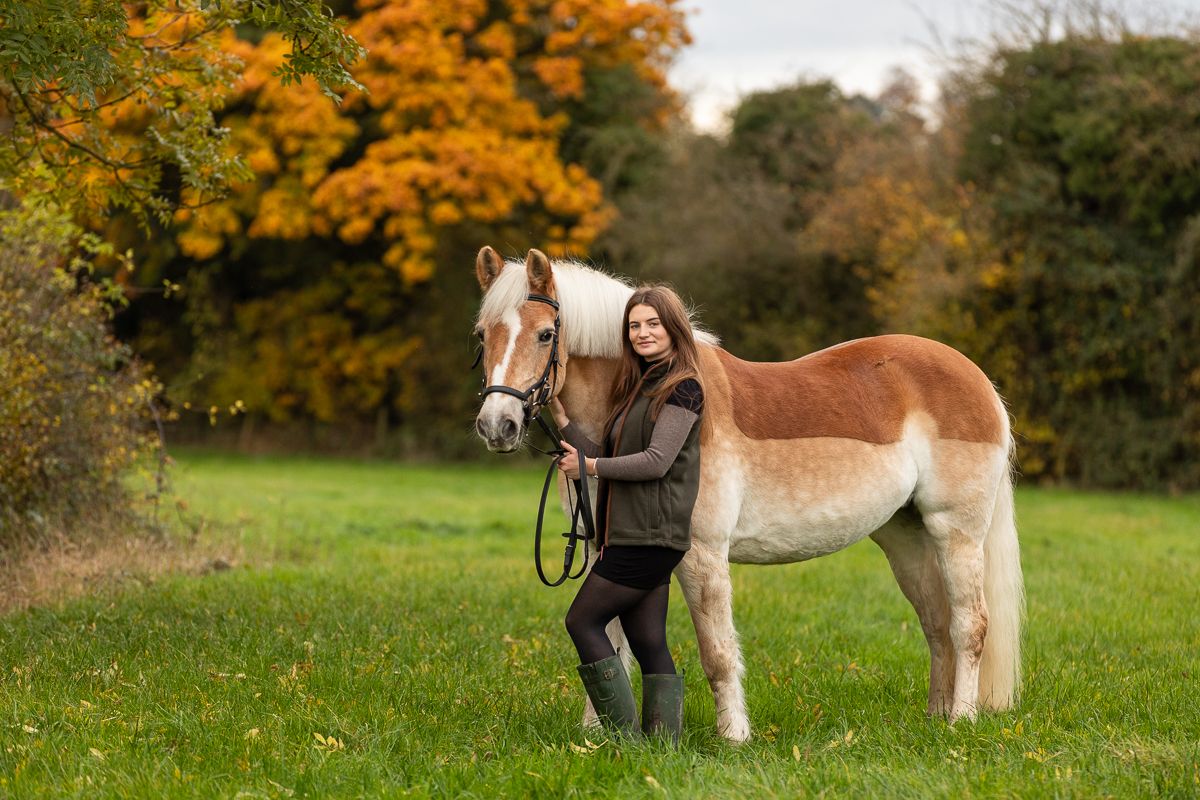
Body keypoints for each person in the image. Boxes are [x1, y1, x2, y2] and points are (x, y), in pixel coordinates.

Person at [550, 285, 704, 745]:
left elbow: (656, 462)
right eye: (634, 326)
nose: (642, 333)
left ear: (673, 328)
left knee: (581, 621)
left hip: (649, 535)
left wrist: (590, 468)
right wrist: (562, 421)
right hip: (637, 535)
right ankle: (663, 745)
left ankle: (624, 740)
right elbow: (610, 454)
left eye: (653, 324)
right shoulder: (640, 386)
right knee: (648, 640)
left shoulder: (684, 388)